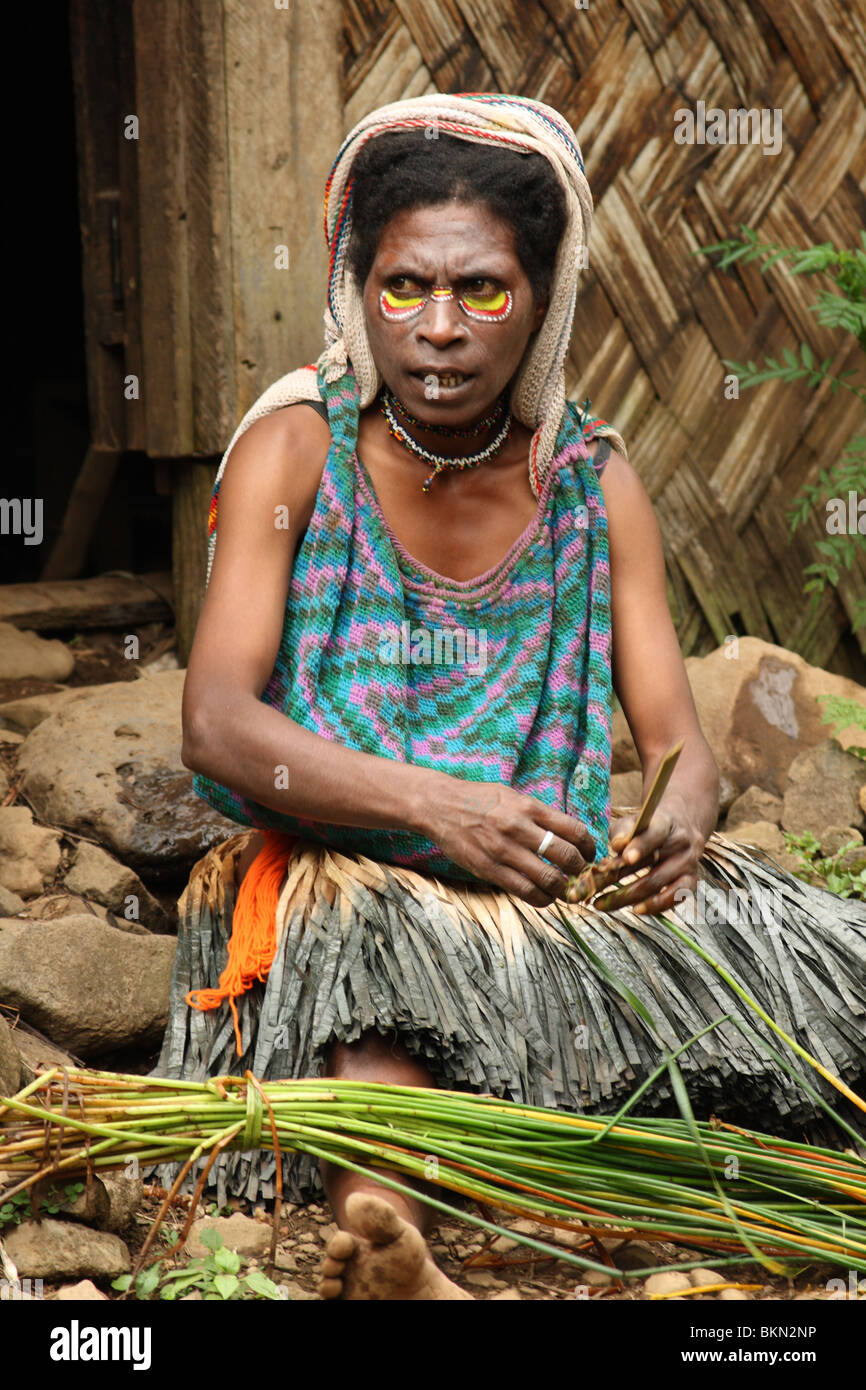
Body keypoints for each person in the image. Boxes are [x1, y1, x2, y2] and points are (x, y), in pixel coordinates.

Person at [156, 94, 866, 1301]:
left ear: (544, 299)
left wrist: (681, 818)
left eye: (481, 291)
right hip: (353, 884)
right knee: (374, 1033)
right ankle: (399, 1251)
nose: (437, 330)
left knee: (817, 984)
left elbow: (677, 749)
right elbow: (217, 724)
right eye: (402, 289)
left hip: (547, 884)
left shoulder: (590, 486)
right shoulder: (298, 452)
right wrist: (436, 807)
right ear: (355, 286)